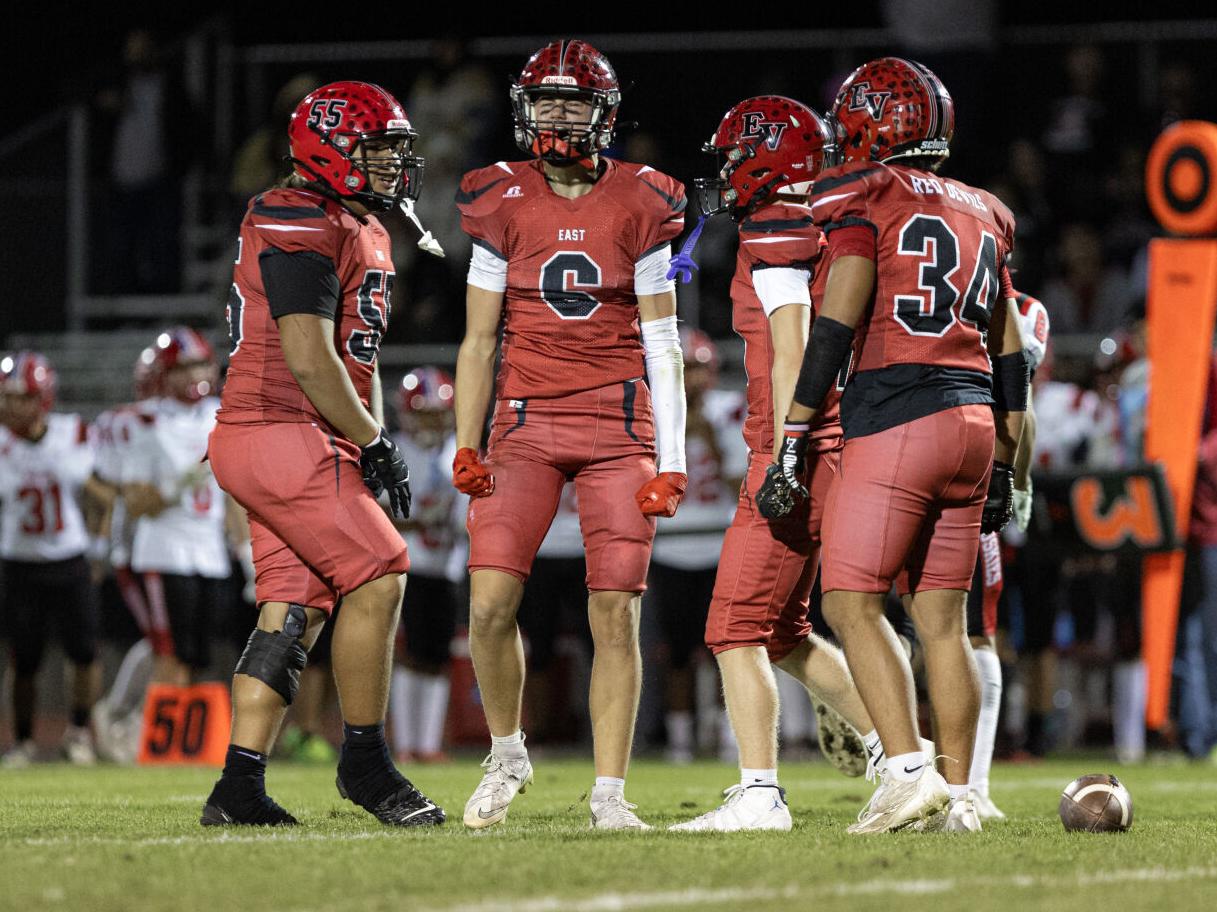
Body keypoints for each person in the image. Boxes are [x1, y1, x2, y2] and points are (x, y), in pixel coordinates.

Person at [764, 57, 1029, 833]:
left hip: (897, 413)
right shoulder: (987, 210)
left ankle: (908, 771)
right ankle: (962, 797)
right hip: (973, 421)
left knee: (848, 601)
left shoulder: (866, 192)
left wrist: (793, 432)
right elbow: (1010, 351)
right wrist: (1008, 459)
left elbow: (835, 322)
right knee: (941, 622)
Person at [452, 39, 688, 830]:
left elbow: (662, 340)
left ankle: (609, 794)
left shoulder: (642, 198)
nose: (557, 114)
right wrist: (467, 442)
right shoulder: (499, 196)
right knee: (489, 604)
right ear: (523, 110)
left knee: (614, 613)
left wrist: (672, 458)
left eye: (573, 101)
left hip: (617, 424)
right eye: (545, 100)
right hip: (524, 422)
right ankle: (506, 753)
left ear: (603, 113)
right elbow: (478, 340)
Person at [200, 81, 443, 828]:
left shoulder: (358, 223)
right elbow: (307, 354)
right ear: (330, 150)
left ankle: (238, 787)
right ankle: (364, 762)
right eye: (377, 149)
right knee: (381, 570)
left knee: (293, 609)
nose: (392, 164)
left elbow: (350, 359)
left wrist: (365, 436)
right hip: (279, 425)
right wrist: (374, 442)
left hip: (291, 432)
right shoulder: (295, 213)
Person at [666, 96, 879, 832]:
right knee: (783, 632)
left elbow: (793, 348)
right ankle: (901, 760)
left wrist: (787, 450)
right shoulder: (834, 221)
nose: (725, 173)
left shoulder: (776, 228)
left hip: (797, 442)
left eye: (735, 158)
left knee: (731, 627)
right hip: (840, 441)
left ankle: (759, 792)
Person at [965, 290, 1047, 820]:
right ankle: (969, 783)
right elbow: (1023, 415)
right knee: (974, 635)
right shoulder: (1021, 317)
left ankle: (903, 762)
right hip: (970, 491)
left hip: (907, 465)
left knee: (891, 624)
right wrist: (1017, 478)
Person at [0, 353, 102, 766]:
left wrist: (100, 546)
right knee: (23, 660)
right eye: (6, 397)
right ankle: (23, 741)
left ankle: (78, 732)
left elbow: (99, 493)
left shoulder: (73, 432)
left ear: (42, 398)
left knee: (84, 653)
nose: (10, 406)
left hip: (70, 559)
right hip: (19, 562)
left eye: (20, 397)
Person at [649, 329, 745, 765]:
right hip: (670, 547)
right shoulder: (653, 414)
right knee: (677, 652)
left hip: (719, 542)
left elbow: (741, 486)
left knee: (727, 648)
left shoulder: (730, 410)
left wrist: (708, 439)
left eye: (698, 368)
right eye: (684, 369)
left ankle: (728, 734)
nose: (692, 379)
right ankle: (681, 740)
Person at [122, 327, 232, 686]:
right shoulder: (146, 420)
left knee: (199, 658)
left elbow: (235, 495)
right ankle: (146, 719)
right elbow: (136, 503)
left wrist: (246, 550)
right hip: (165, 550)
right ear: (163, 375)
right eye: (182, 367)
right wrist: (177, 485)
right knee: (169, 655)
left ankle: (168, 721)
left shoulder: (223, 415)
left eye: (199, 364)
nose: (194, 375)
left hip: (211, 552)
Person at [388, 367, 464, 763]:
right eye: (425, 414)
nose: (432, 423)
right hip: (406, 564)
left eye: (438, 415)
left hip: (446, 565)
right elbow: (376, 512)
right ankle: (406, 744)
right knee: (409, 654)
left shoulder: (458, 452)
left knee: (437, 657)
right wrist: (418, 522)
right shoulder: (394, 451)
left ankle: (429, 744)